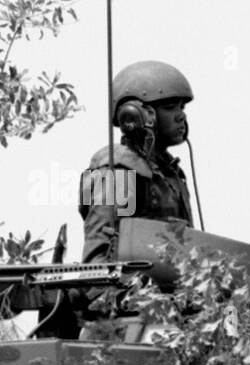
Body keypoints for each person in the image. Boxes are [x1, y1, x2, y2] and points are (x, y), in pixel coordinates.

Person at [79, 59, 196, 263]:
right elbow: (97, 262)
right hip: (130, 292)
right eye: (170, 107)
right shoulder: (119, 170)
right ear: (135, 115)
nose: (181, 116)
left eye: (182, 107)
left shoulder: (171, 174)